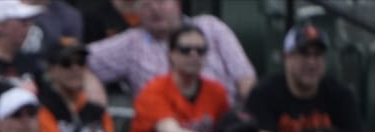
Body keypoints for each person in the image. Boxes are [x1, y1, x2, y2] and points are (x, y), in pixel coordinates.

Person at [245, 23, 370, 132]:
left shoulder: (340, 94)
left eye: (317, 55)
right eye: (304, 54)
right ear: (287, 58)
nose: (311, 62)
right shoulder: (264, 94)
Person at [88, 0, 254, 103]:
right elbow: (79, 60)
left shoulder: (210, 27)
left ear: (178, 3)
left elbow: (246, 78)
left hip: (224, 121)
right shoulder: (131, 43)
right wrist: (93, 87)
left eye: (161, 2)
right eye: (146, 5)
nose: (154, 9)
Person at [127, 26, 229, 132]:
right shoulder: (154, 90)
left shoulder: (217, 92)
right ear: (171, 54)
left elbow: (228, 130)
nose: (194, 55)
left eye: (200, 50)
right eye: (185, 50)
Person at [36, 37, 113, 132]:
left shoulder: (98, 112)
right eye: (66, 63)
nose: (75, 68)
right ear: (51, 70)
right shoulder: (40, 107)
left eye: (80, 62)